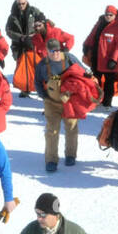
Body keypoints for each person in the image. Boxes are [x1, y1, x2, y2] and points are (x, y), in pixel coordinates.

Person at [34, 40, 87, 173]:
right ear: (47, 51)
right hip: (51, 102)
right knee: (52, 131)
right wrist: (44, 96)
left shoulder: (69, 58)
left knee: (71, 128)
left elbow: (83, 71)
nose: (56, 53)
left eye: (58, 50)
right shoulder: (42, 65)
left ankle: (70, 155)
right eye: (53, 51)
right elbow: (37, 82)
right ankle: (51, 160)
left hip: (69, 101)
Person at [5, 0, 45, 97]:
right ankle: (24, 89)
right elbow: (8, 31)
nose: (21, 6)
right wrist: (21, 37)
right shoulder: (12, 16)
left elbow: (42, 20)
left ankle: (40, 88)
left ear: (26, 2)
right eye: (19, 4)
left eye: (23, 3)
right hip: (20, 46)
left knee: (37, 67)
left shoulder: (33, 11)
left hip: (33, 44)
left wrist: (35, 35)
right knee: (22, 69)